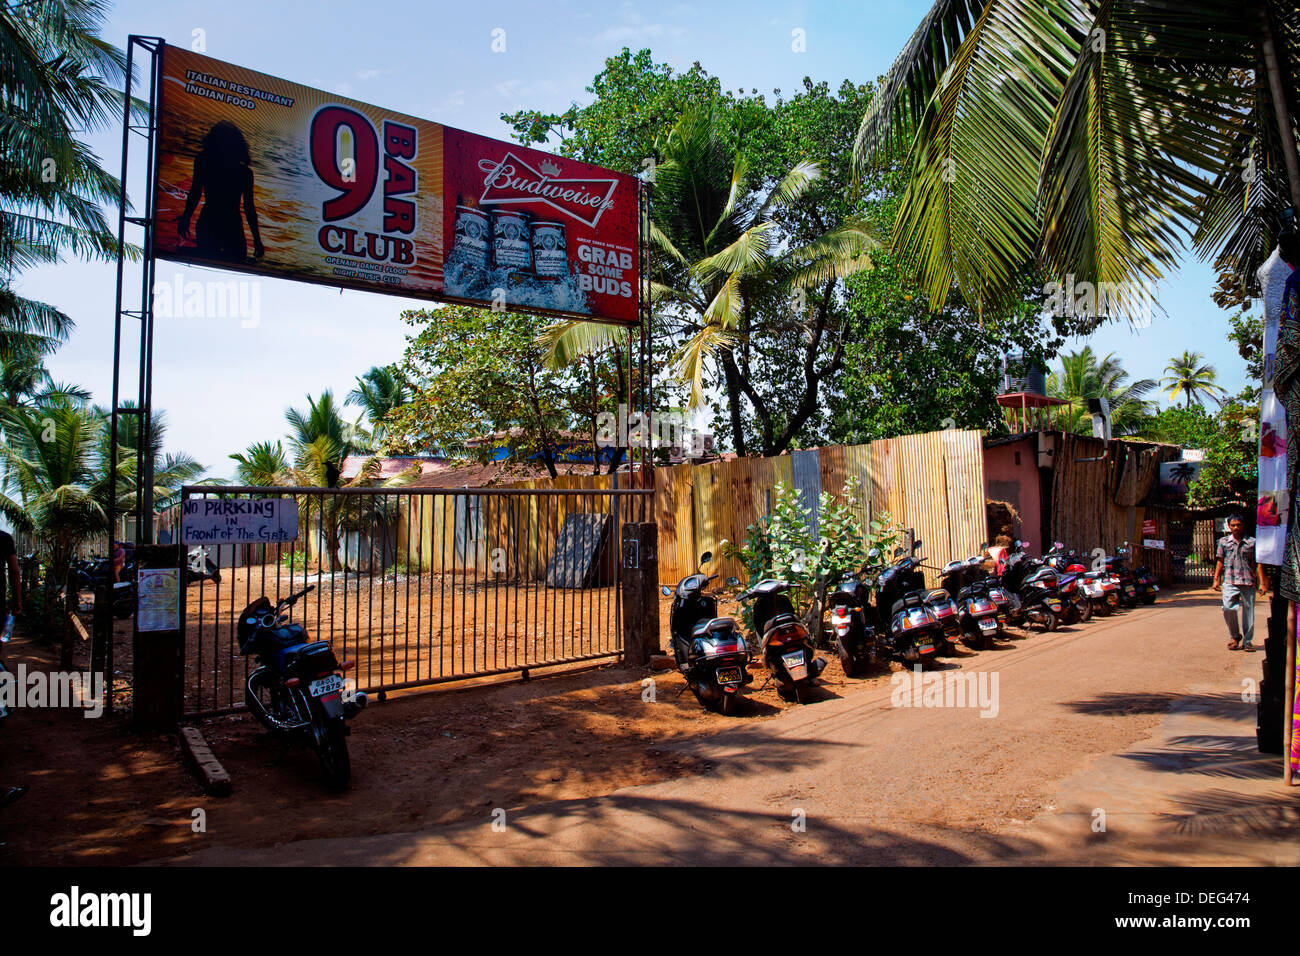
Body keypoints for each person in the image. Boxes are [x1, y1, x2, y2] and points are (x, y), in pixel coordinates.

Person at [177, 120, 265, 263]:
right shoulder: (244, 173)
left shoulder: (203, 161)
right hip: (231, 226)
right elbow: (249, 209)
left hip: (211, 222)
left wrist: (186, 217)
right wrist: (257, 240)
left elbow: (195, 192)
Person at [1213, 514, 1268, 651]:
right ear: (1229, 526)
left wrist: (1262, 582)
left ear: (1243, 526)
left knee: (1249, 612)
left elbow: (1258, 564)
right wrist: (1216, 579)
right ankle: (1235, 636)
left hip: (1248, 581)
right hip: (1230, 581)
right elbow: (1220, 560)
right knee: (1228, 608)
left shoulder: (1252, 542)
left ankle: (1248, 642)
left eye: (1238, 525)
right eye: (1233, 525)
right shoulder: (1223, 542)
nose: (1236, 527)